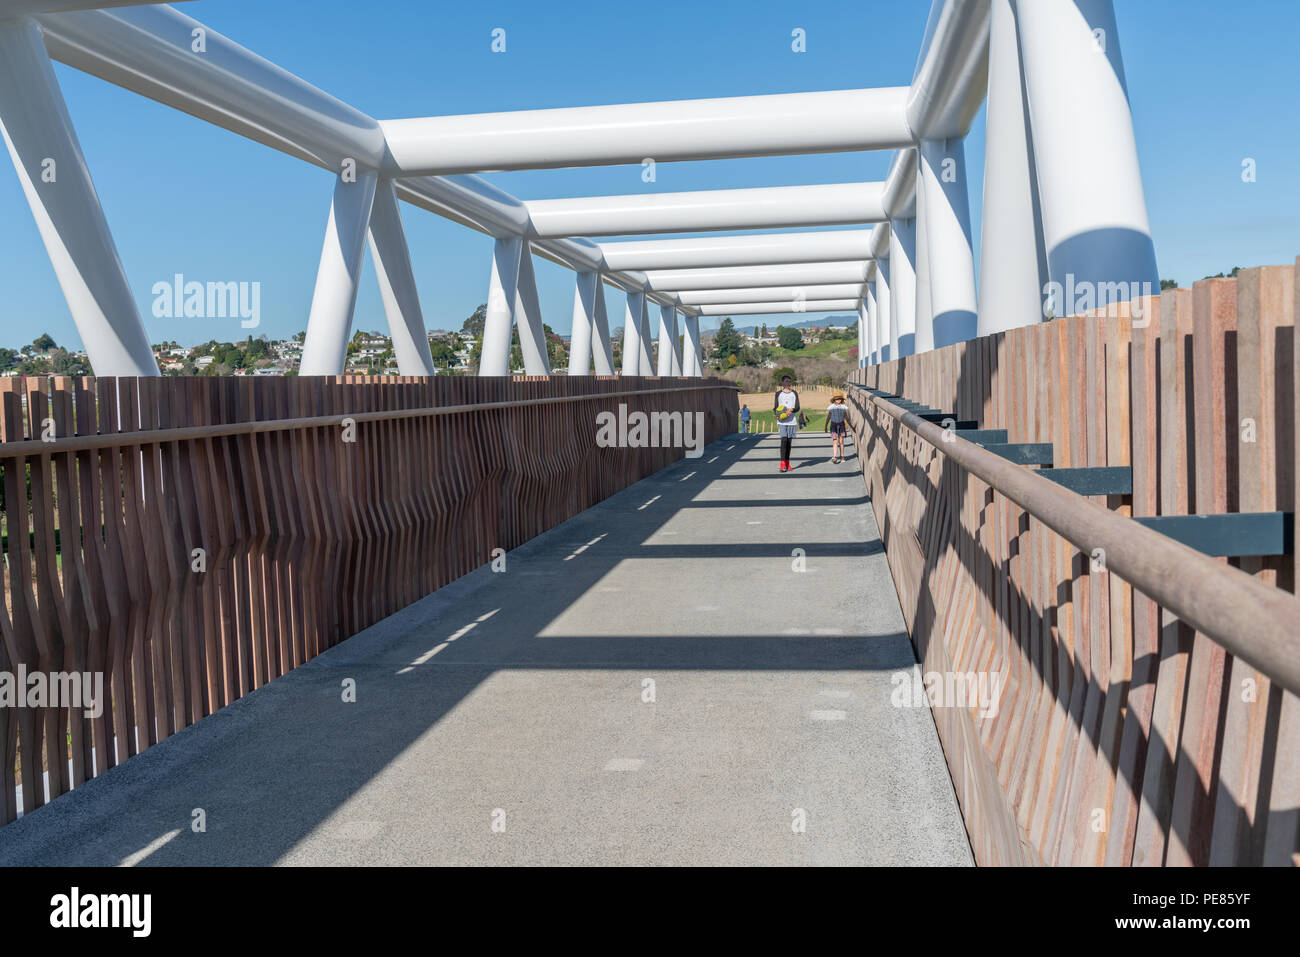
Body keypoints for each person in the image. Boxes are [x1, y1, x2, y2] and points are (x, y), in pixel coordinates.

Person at [773, 375, 800, 471]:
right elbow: (775, 407)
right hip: (782, 421)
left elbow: (797, 407)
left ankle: (788, 463)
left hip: (792, 421)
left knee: (789, 442)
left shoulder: (794, 393)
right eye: (786, 381)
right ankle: (782, 464)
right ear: (782, 382)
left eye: (790, 381)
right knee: (783, 440)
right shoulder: (778, 394)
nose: (788, 383)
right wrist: (777, 415)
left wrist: (791, 410)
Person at [826, 392, 849, 463]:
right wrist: (826, 426)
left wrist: (851, 426)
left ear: (841, 399)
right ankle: (835, 456)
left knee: (841, 441)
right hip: (833, 425)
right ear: (834, 399)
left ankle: (842, 456)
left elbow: (846, 417)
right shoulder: (831, 407)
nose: (838, 400)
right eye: (837, 398)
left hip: (841, 425)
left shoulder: (844, 407)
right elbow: (828, 417)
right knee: (835, 441)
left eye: (840, 398)